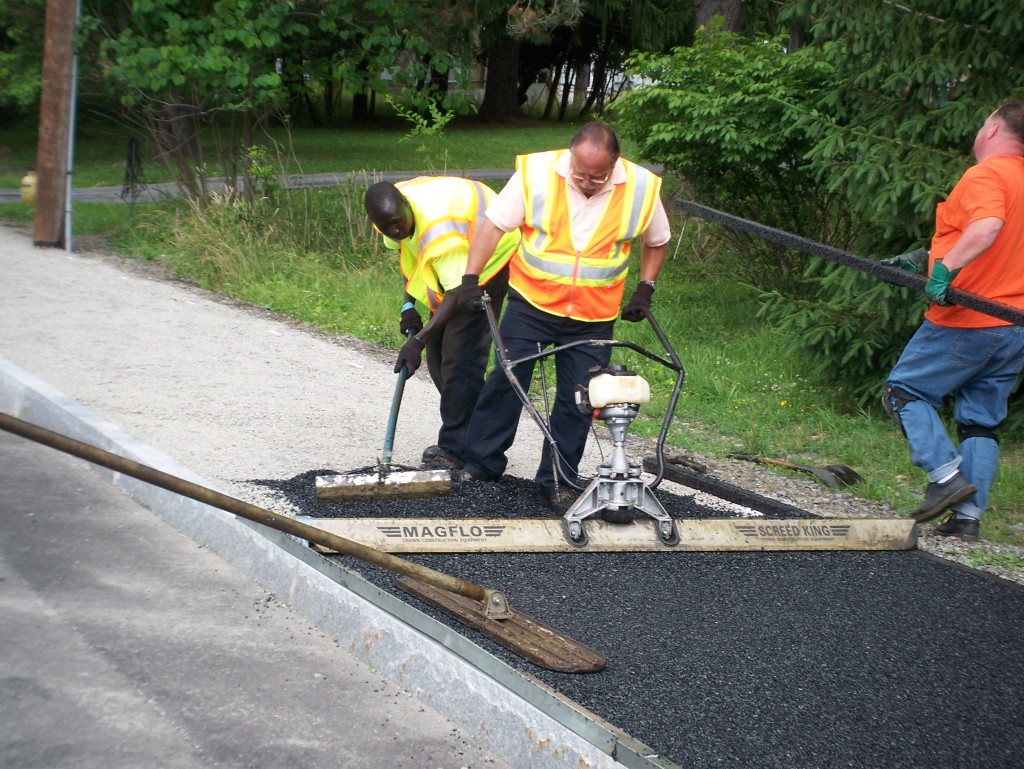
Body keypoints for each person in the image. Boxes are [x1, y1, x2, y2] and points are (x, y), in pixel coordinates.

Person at [453, 121, 671, 509]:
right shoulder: (536, 175)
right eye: (581, 174)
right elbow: (494, 226)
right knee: (506, 381)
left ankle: (558, 480)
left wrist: (645, 288)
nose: (587, 182)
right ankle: (481, 465)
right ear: (570, 157)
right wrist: (472, 277)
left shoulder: (640, 188)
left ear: (615, 166)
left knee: (579, 400)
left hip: (593, 314)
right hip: (531, 303)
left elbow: (657, 241)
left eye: (597, 177)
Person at [881, 98, 1024, 540]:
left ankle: (945, 478)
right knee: (980, 420)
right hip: (1014, 326)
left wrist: (944, 271)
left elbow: (987, 228)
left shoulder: (988, 173)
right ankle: (967, 519)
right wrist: (927, 258)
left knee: (904, 392)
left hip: (968, 318)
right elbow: (1008, 248)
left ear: (994, 127)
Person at [364, 177, 519, 468]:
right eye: (387, 228)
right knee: (438, 359)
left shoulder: (438, 230)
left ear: (407, 207)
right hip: (456, 264)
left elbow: (459, 290)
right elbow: (409, 255)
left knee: (461, 356)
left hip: (490, 253)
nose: (394, 231)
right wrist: (408, 304)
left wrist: (418, 340)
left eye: (398, 223)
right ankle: (476, 431)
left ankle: (457, 449)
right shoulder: (388, 217)